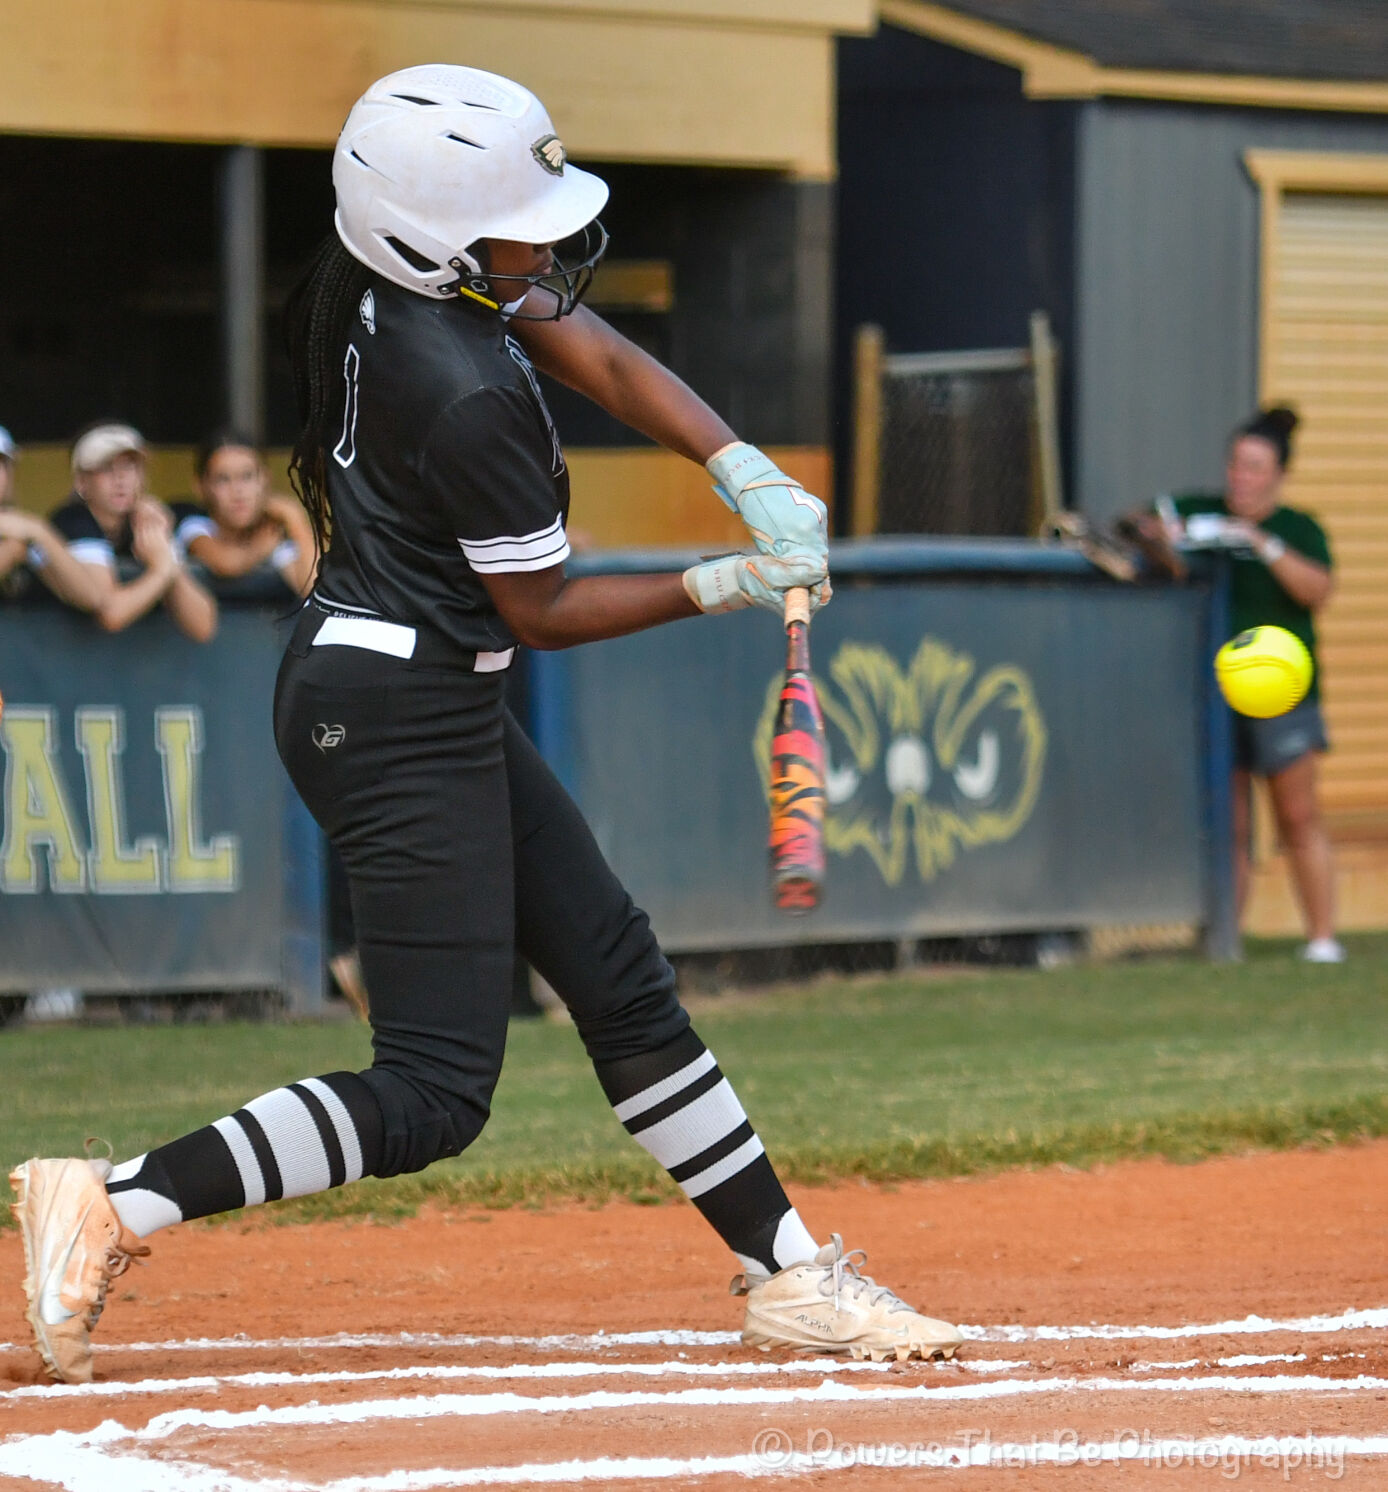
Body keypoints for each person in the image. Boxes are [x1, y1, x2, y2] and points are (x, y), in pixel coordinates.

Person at [10, 64, 961, 1385]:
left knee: (618, 977)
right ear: (429, 235)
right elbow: (546, 605)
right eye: (523, 218)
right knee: (433, 1093)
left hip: (407, 683)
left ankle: (790, 1274)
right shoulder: (462, 392)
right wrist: (725, 581)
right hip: (395, 707)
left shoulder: (379, 275)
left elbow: (596, 346)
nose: (555, 240)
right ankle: (110, 1202)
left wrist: (737, 464)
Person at [1157, 407, 1341, 963]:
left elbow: (1317, 590)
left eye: (1255, 467)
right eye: (1236, 465)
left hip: (1282, 695)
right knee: (1228, 822)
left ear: (1277, 475)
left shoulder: (1296, 528)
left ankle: (1323, 939)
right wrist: (1164, 537)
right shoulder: (1203, 512)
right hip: (1219, 694)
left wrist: (1258, 542)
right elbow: (1147, 526)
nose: (1241, 476)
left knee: (1297, 816)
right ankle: (1225, 941)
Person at [48, 423, 218, 641]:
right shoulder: (72, 519)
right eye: (106, 468)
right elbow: (111, 614)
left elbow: (203, 627)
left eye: (129, 466)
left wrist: (166, 549)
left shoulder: (145, 522)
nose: (120, 479)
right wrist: (161, 569)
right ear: (82, 482)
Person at [178, 431, 317, 597]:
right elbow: (226, 563)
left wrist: (295, 519)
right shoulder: (195, 527)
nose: (238, 491)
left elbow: (313, 587)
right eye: (222, 479)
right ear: (201, 486)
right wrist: (258, 549)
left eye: (247, 476)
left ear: (265, 480)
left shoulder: (272, 538)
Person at [0, 425, 105, 611]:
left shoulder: (21, 530)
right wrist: (10, 552)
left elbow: (93, 599)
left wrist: (40, 532)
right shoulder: (14, 541)